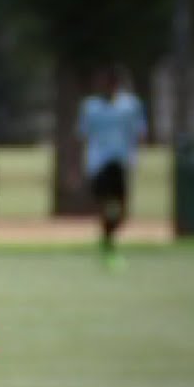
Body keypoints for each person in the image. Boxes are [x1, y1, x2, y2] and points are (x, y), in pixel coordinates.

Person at [78, 65, 147, 270]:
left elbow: (139, 132)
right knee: (104, 205)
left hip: (122, 161)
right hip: (99, 163)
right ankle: (108, 244)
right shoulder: (91, 107)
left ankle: (108, 237)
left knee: (121, 210)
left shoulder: (130, 106)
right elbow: (83, 134)